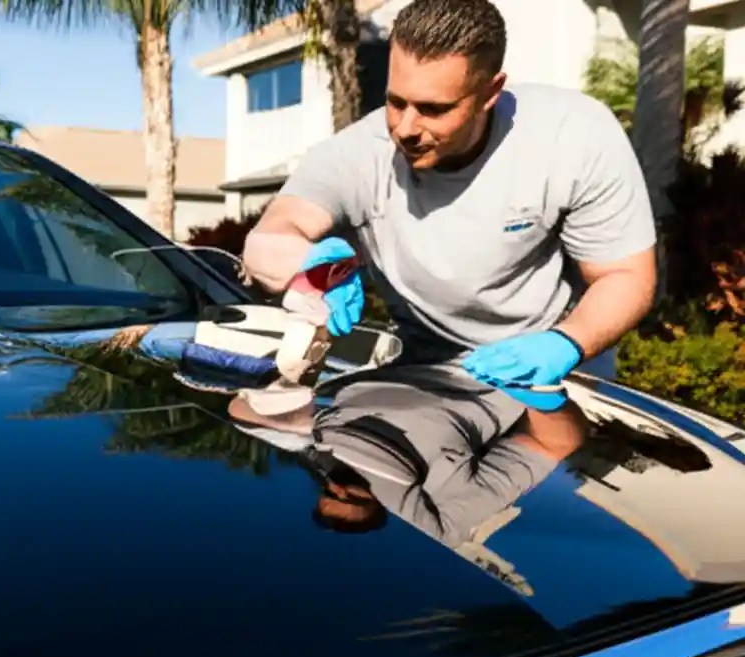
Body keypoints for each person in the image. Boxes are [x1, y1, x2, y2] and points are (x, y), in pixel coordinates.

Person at [241, 0, 657, 392]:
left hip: (555, 369)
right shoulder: (358, 154)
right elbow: (267, 241)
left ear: (490, 93)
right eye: (395, 101)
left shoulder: (573, 136)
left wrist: (565, 344)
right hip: (424, 371)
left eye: (433, 109)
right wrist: (306, 265)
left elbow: (624, 276)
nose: (405, 127)